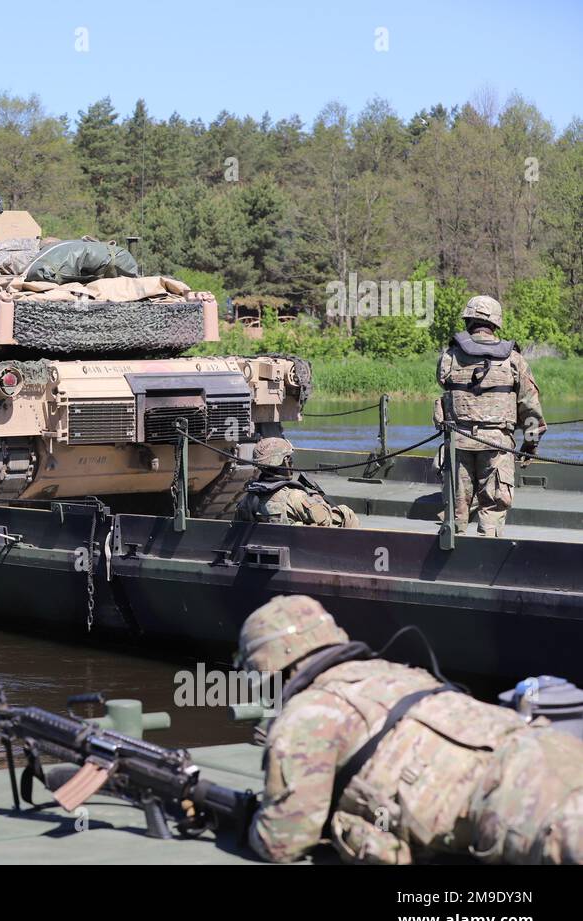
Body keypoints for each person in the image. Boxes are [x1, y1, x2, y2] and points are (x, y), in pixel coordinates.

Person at [237, 594, 583, 865]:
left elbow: (281, 841)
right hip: (555, 749)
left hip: (521, 807)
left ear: (270, 667)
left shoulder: (306, 714)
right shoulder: (398, 671)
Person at [436, 294, 546, 536]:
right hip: (497, 445)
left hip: (458, 443)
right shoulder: (514, 359)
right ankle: (488, 556)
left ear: (468, 321)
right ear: (496, 323)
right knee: (494, 507)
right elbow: (529, 407)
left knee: (455, 508)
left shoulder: (449, 357)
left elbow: (445, 385)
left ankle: (451, 558)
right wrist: (530, 444)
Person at [236, 437, 359, 527]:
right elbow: (324, 519)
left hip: (267, 547)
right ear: (285, 461)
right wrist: (318, 500)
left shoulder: (248, 499)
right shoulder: (294, 497)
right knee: (345, 512)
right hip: (299, 549)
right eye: (289, 458)